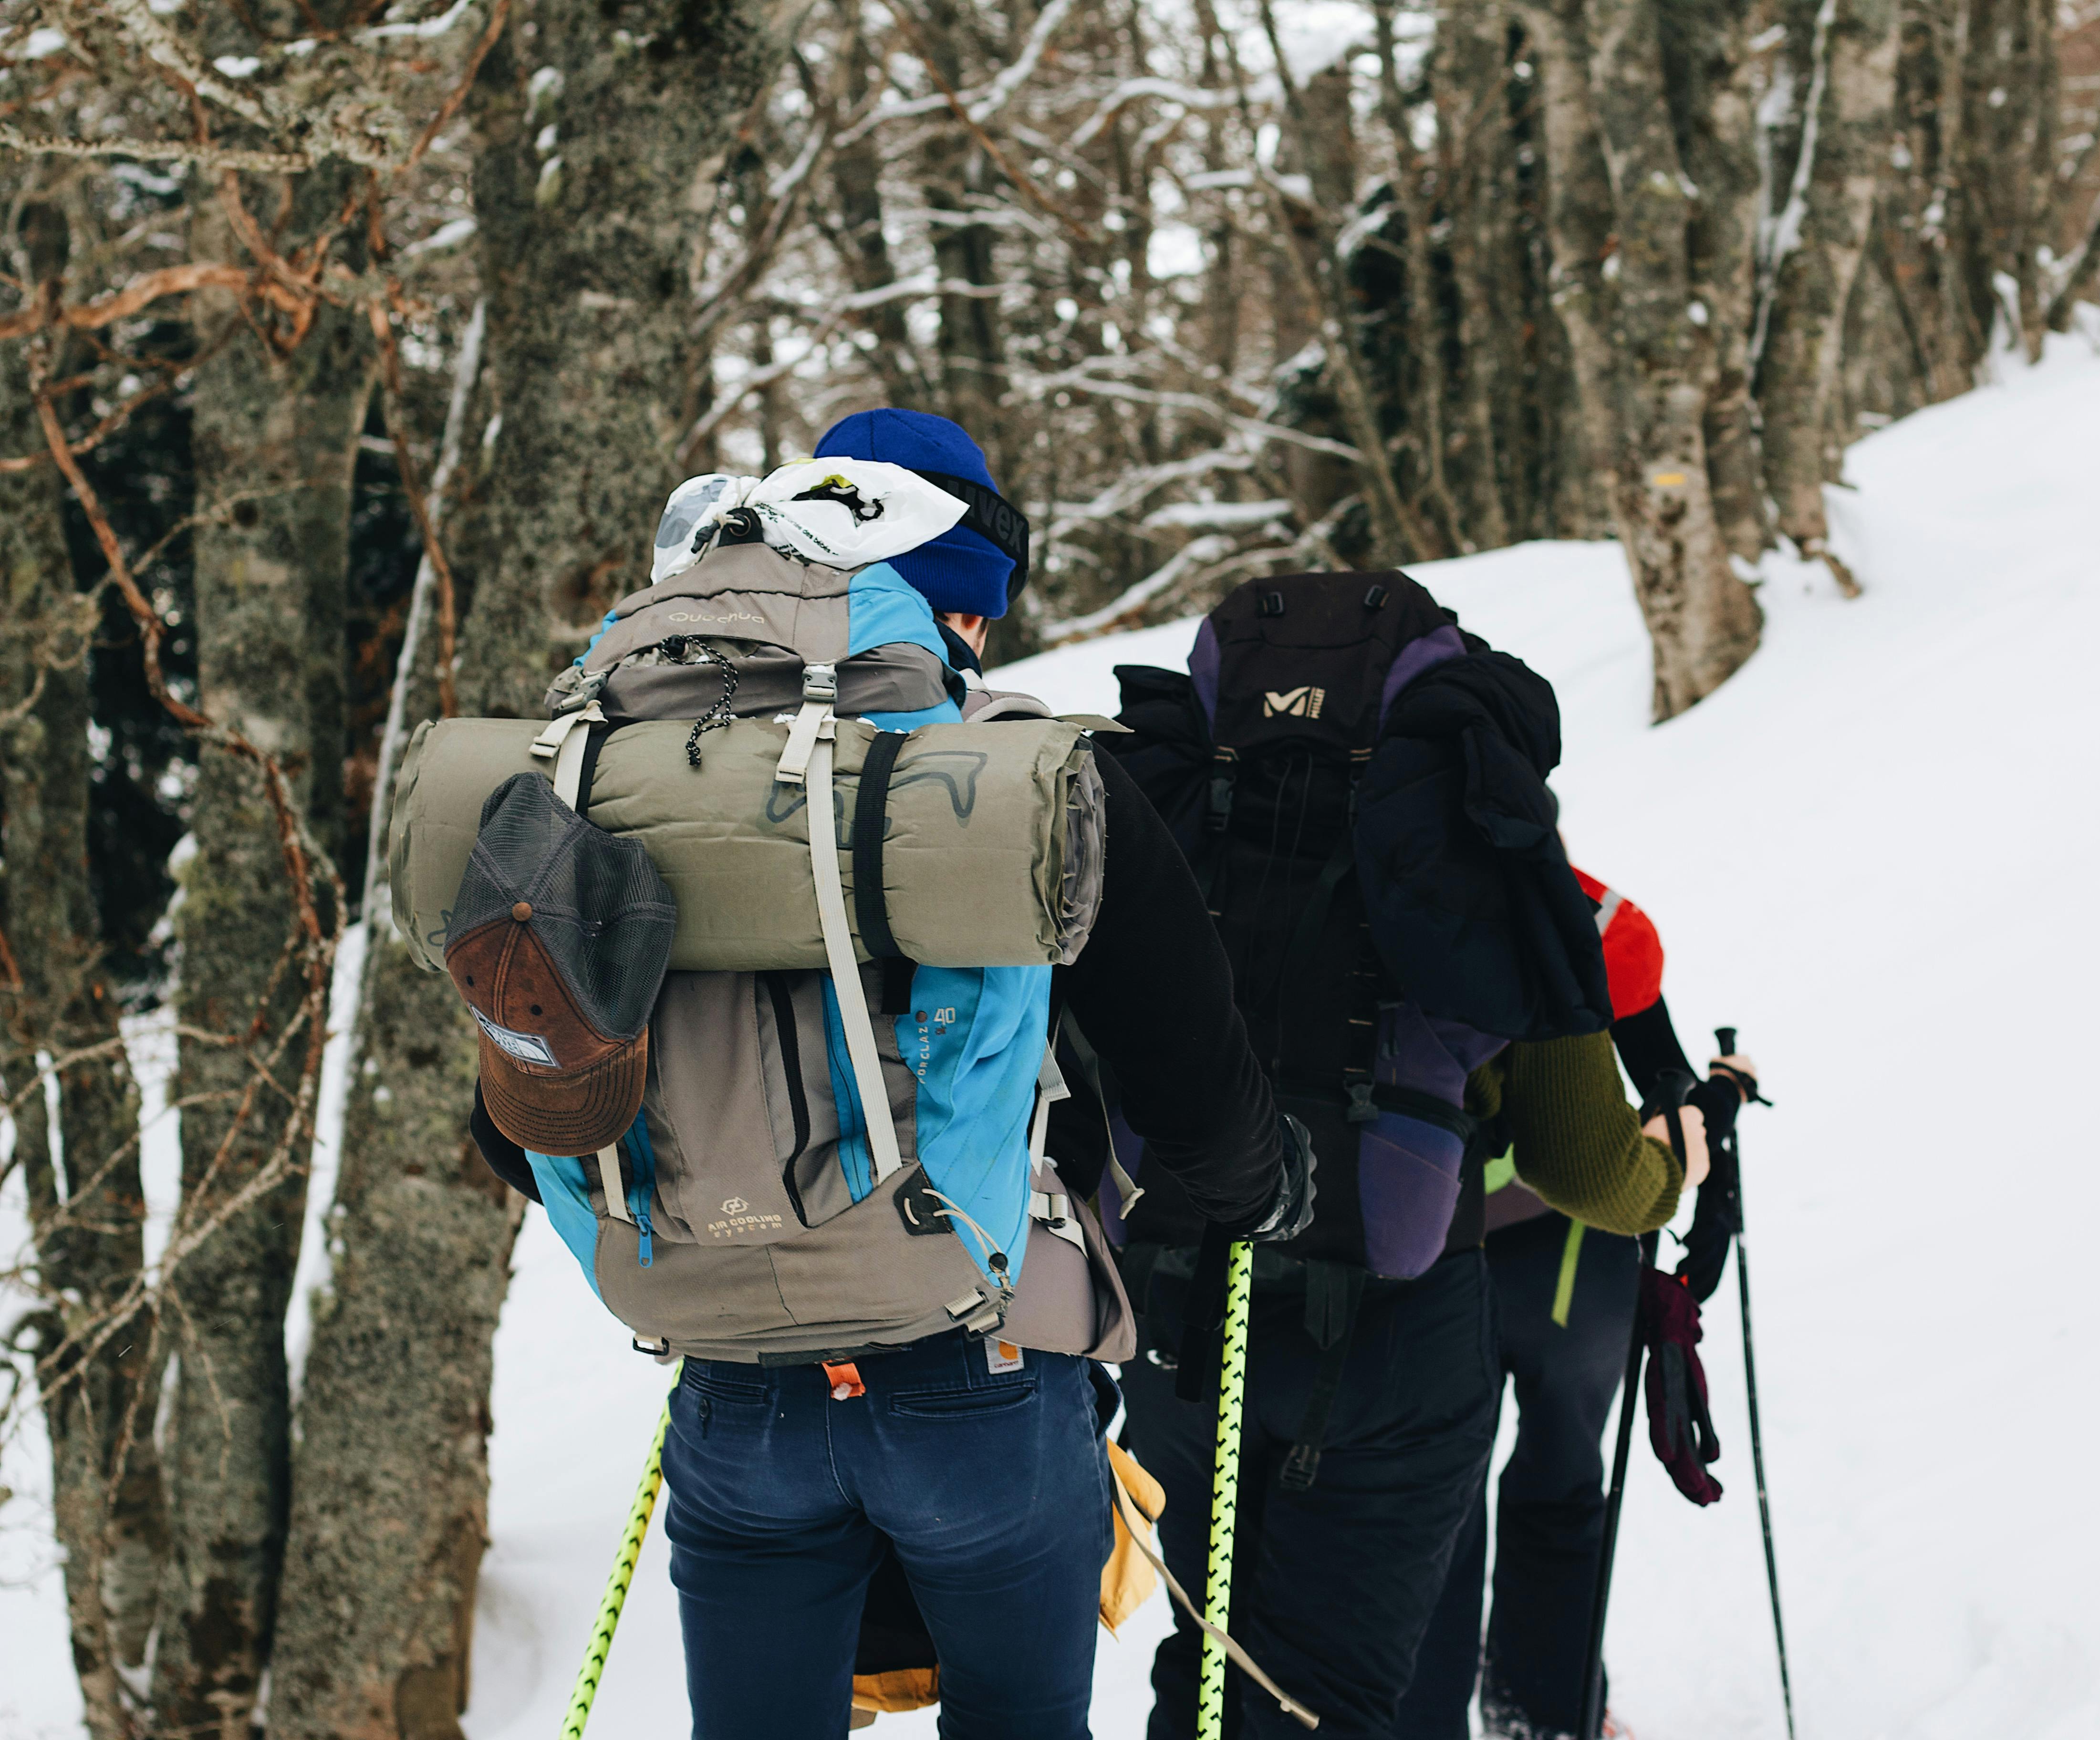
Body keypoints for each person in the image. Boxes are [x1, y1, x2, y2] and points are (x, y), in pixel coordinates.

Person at [464, 407, 1314, 1740]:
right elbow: (1197, 1090)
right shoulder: (1018, 777)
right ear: (960, 609)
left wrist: (729, 1217)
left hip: (729, 1389)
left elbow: (514, 1123)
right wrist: (1262, 1186)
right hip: (974, 1365)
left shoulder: (599, 773)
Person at [1094, 572, 1713, 1739]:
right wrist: (1674, 1167)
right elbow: (1584, 1165)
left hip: (1180, 1319)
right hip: (1397, 1332)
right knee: (1326, 1692)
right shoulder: (1476, 836)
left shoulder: (1162, 811)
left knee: (1212, 1661)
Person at [1394, 868, 1754, 1740]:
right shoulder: (1576, 907)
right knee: (1557, 1484)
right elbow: (1662, 1080)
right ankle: (1544, 1714)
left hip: (1422, 1241)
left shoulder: (1378, 879)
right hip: (1573, 1242)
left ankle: (1426, 1719)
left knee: (1434, 1496)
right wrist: (1721, 1105)